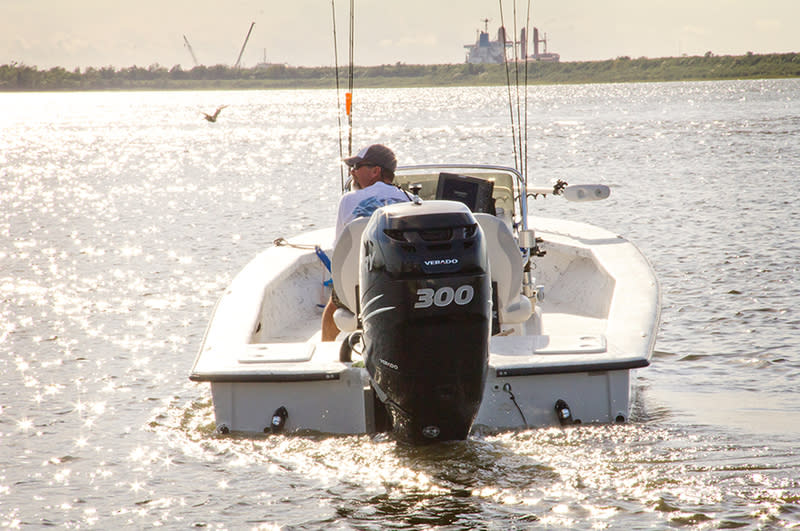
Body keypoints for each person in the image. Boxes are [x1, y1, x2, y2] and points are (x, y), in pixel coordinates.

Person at [321, 144, 410, 341]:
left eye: (357, 166)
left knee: (332, 308)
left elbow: (339, 251)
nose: (352, 172)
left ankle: (326, 348)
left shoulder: (348, 200)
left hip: (358, 288)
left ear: (375, 171)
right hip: (402, 286)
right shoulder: (412, 199)